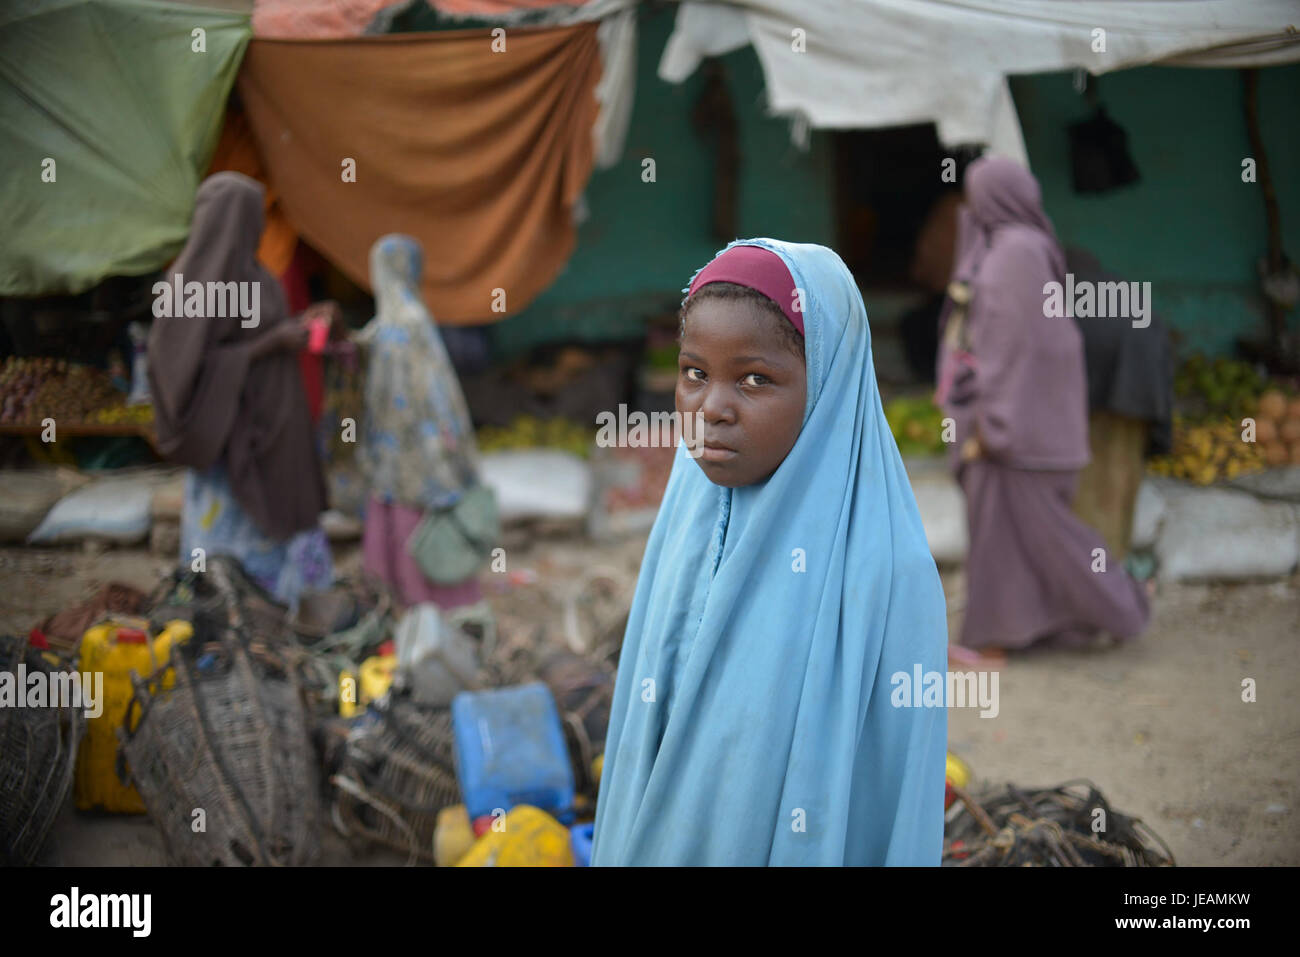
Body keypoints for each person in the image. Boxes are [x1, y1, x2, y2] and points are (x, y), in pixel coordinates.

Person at [591, 240, 948, 866]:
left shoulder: (885, 572)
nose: (712, 410)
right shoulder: (684, 523)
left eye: (756, 379)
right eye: (695, 374)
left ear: (829, 388)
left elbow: (893, 797)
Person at [935, 156, 1150, 652]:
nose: (970, 207)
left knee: (1046, 543)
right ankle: (1045, 629)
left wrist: (994, 425)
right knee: (1016, 543)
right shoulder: (1015, 246)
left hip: (1018, 432)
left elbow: (1013, 348)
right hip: (1033, 428)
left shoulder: (1015, 255)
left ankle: (1122, 610)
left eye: (976, 196)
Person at [148, 172, 333, 609]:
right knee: (228, 552)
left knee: (279, 538)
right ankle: (229, 621)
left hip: (274, 430)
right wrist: (268, 345)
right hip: (226, 441)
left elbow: (262, 335)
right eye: (251, 218)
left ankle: (281, 619)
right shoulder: (190, 285)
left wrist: (300, 331)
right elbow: (179, 372)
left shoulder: (261, 278)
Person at [355, 234, 483, 610]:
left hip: (398, 456)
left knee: (401, 528)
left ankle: (409, 613)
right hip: (417, 458)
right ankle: (427, 612)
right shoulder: (409, 320)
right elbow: (440, 393)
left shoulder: (394, 325)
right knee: (416, 529)